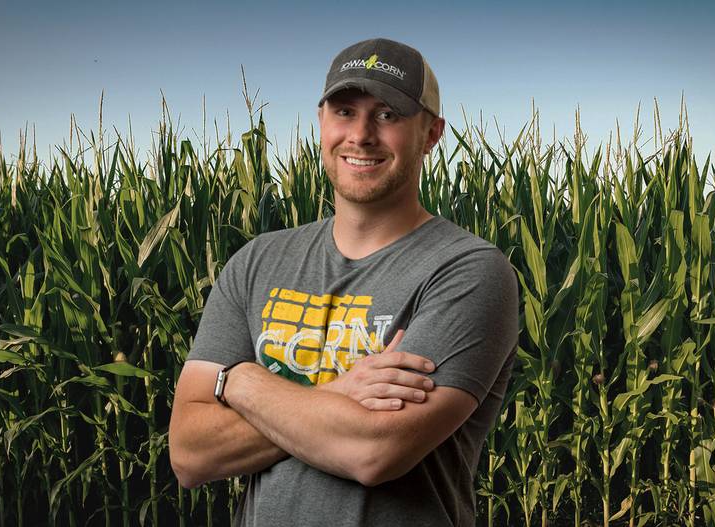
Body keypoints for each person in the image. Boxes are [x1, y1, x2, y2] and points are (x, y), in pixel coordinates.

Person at [168, 37, 519, 527]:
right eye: (345, 111)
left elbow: (372, 451)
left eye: (388, 115)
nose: (361, 135)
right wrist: (340, 394)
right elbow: (189, 452)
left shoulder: (468, 271)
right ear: (321, 122)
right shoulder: (255, 263)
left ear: (432, 133)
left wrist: (243, 382)